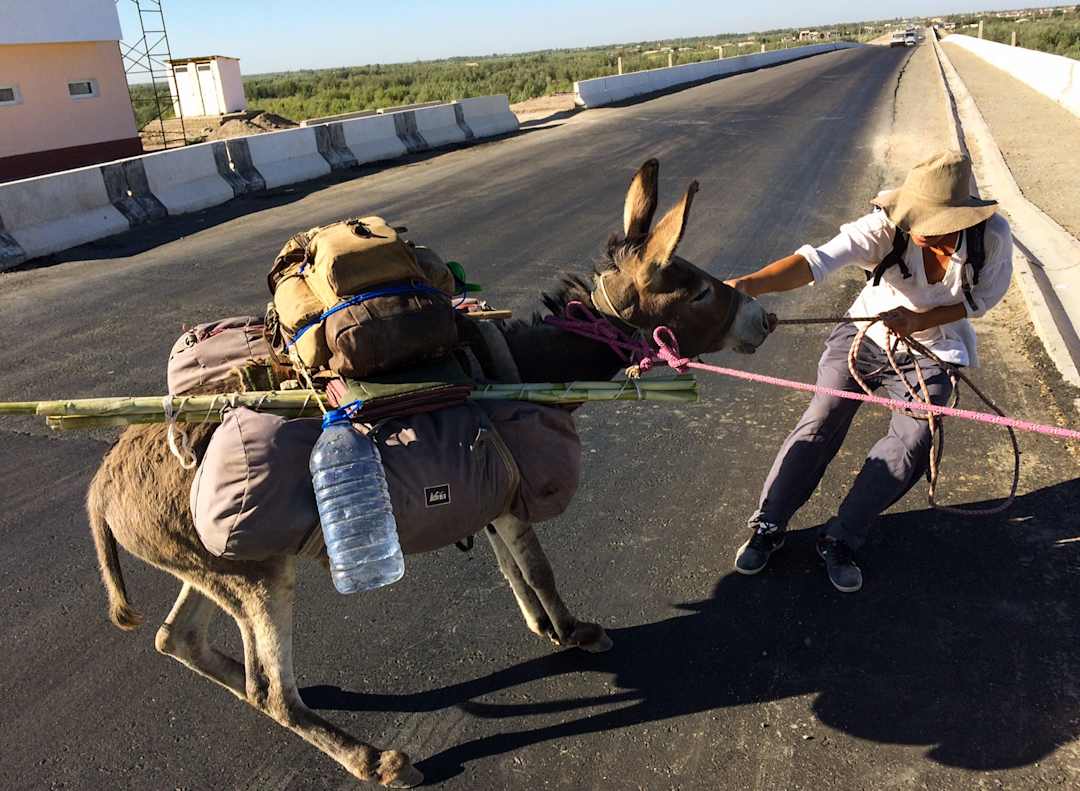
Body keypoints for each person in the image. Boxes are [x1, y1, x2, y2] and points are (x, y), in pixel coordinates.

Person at [725, 150, 1013, 593]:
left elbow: (982, 299)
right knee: (821, 419)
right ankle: (769, 523)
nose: (919, 229)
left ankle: (840, 538)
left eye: (931, 223)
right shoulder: (887, 224)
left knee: (915, 441)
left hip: (933, 351)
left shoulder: (991, 238)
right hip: (865, 338)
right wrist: (749, 285)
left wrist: (920, 320)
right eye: (915, 218)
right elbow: (815, 261)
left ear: (960, 220)